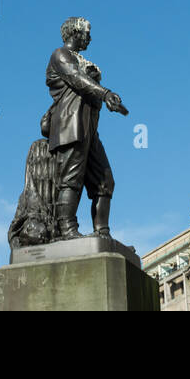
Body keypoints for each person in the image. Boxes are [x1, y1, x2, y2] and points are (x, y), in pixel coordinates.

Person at [43, 17, 126, 238]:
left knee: (105, 181)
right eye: (86, 32)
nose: (89, 37)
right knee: (71, 179)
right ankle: (68, 229)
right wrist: (105, 93)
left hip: (90, 128)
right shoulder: (60, 55)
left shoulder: (80, 58)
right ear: (74, 33)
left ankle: (102, 232)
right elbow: (77, 78)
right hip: (71, 125)